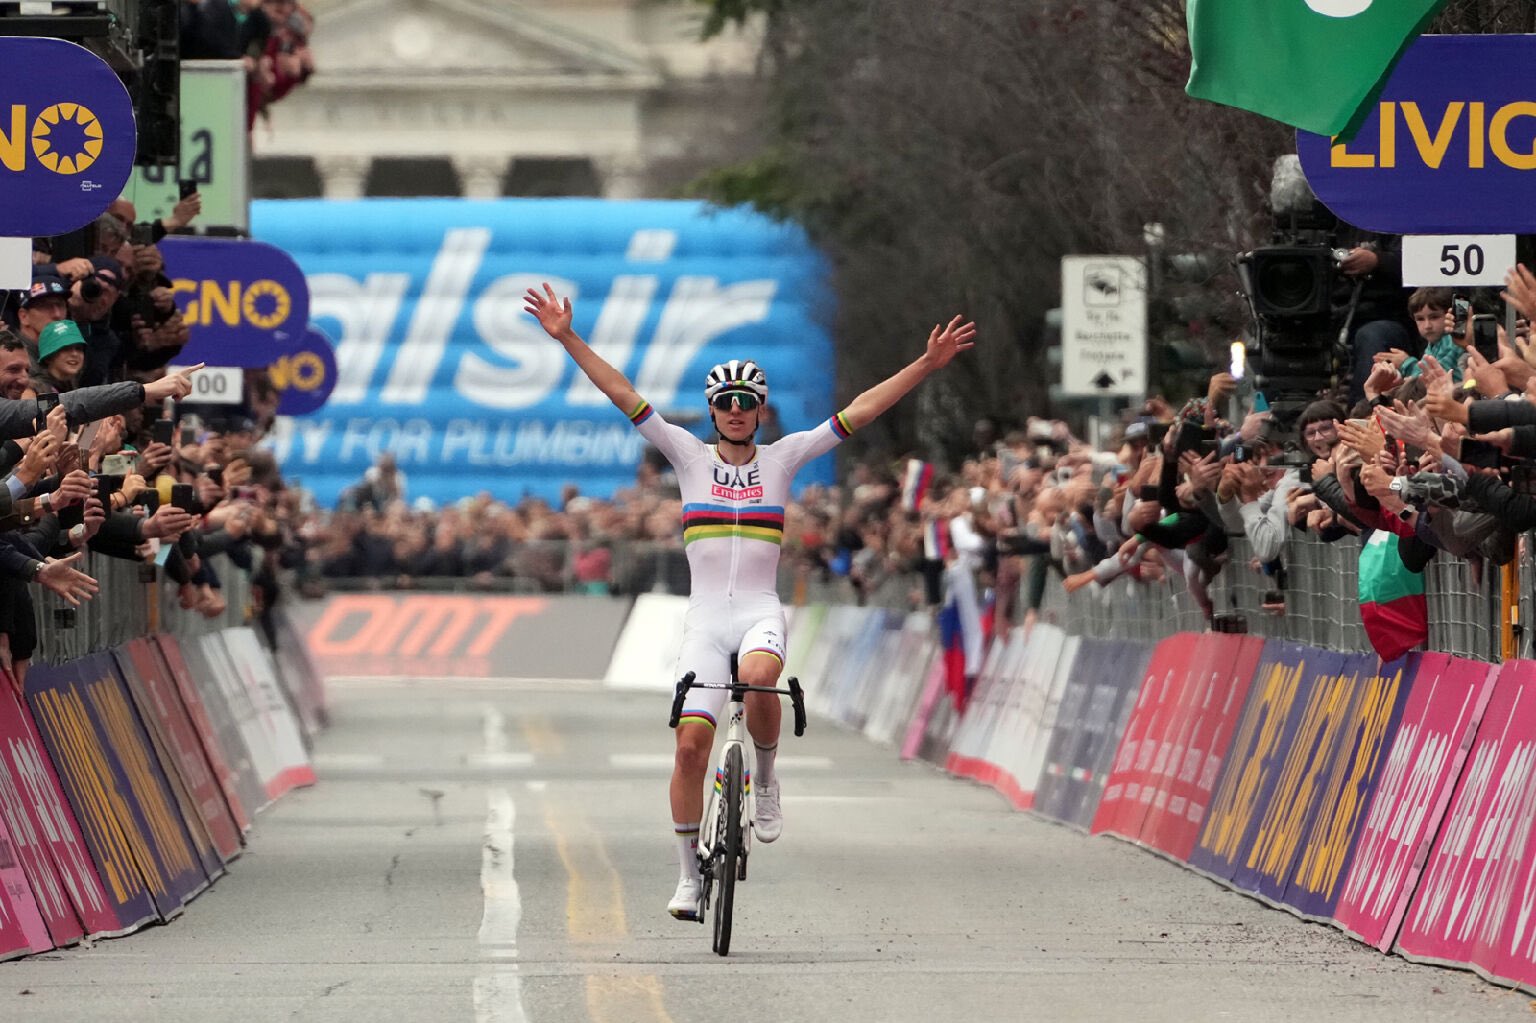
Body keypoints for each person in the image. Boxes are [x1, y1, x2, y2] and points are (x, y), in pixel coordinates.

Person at [524, 282, 975, 921]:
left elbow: (861, 410)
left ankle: (764, 778)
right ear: (713, 411)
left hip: (759, 609)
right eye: (726, 403)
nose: (736, 411)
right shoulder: (686, 455)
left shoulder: (785, 459)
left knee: (760, 679)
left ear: (761, 411)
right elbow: (622, 392)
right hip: (705, 620)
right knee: (688, 747)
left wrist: (927, 365)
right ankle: (687, 878)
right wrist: (568, 337)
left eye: (747, 403)